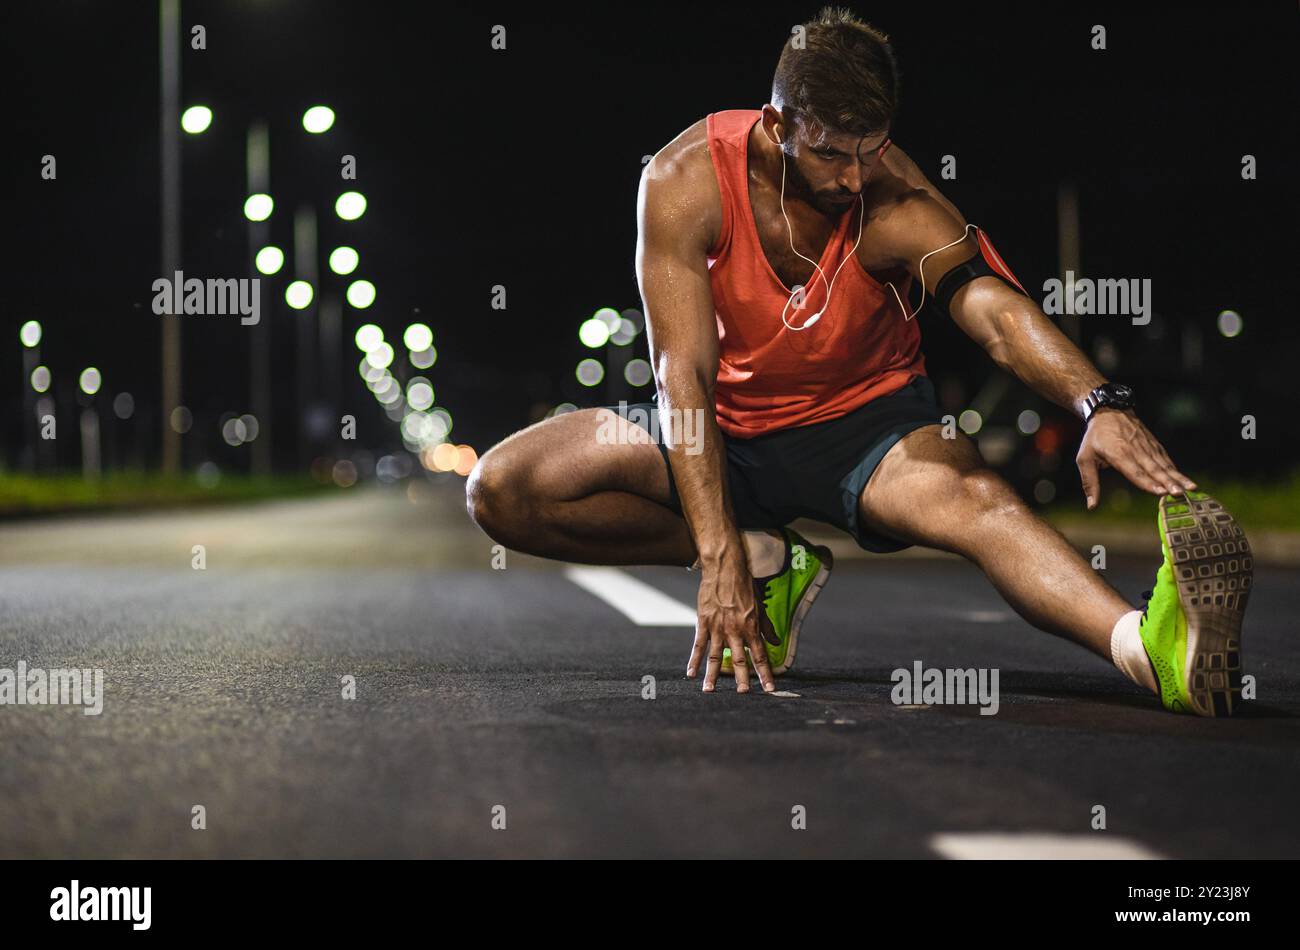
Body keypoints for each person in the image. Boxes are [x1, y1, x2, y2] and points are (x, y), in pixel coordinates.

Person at [467, 7, 1250, 715]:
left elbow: (997, 315)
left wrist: (1097, 402)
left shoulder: (897, 200)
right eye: (831, 153)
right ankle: (767, 557)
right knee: (503, 490)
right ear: (777, 126)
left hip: (863, 433)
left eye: (869, 151)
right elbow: (684, 379)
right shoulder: (682, 183)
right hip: (722, 430)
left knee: (979, 500)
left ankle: (1148, 655)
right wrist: (719, 556)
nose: (852, 176)